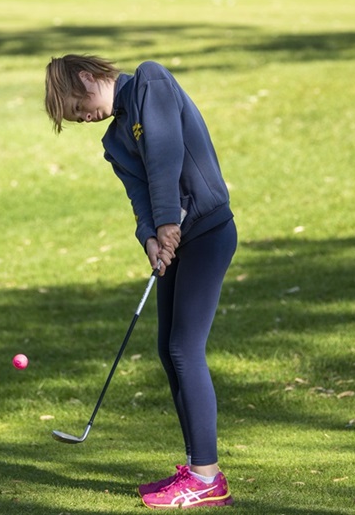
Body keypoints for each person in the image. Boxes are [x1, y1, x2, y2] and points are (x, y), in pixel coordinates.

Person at [44, 54, 236, 509]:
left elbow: (166, 153)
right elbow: (139, 191)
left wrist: (169, 221)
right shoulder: (114, 140)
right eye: (76, 118)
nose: (85, 117)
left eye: (79, 106)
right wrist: (150, 236)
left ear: (89, 78)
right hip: (176, 242)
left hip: (207, 231)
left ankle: (207, 478)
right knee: (168, 350)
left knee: (184, 349)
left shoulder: (150, 82)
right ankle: (196, 466)